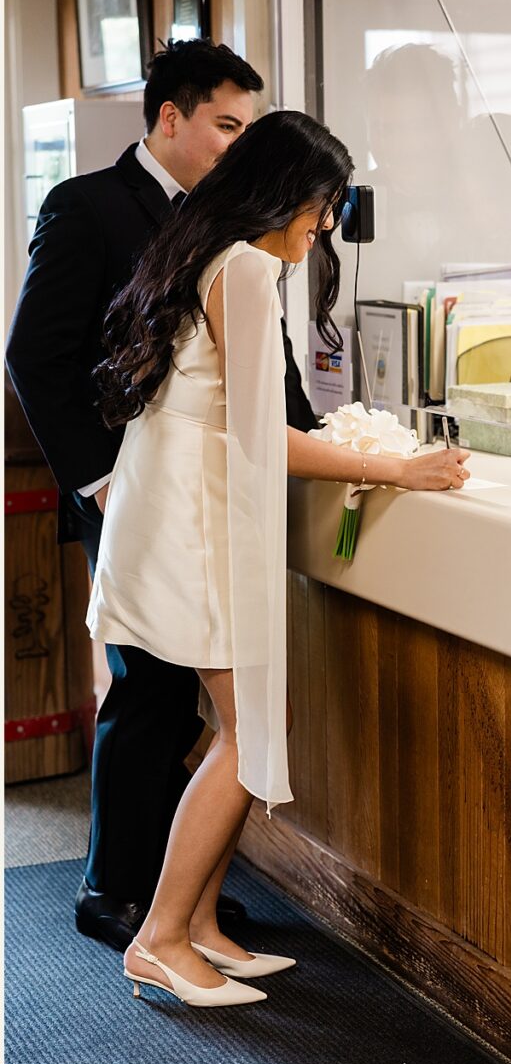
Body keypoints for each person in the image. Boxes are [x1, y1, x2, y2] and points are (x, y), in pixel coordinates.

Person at [89, 109, 471, 1006]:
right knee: (248, 734)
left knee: (237, 730)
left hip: (171, 513)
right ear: (283, 195)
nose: (323, 227)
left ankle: (203, 927)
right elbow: (267, 435)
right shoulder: (251, 270)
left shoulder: (198, 250)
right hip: (199, 528)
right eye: (320, 205)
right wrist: (398, 468)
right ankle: (159, 936)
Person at [5, 40, 311, 951]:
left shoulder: (231, 221)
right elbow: (35, 355)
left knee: (197, 707)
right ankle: (115, 890)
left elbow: (257, 363)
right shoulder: (87, 206)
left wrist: (312, 436)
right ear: (169, 117)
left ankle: (183, 902)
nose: (237, 144)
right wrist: (102, 482)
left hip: (211, 500)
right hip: (129, 493)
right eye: (225, 124)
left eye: (247, 128)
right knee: (148, 697)